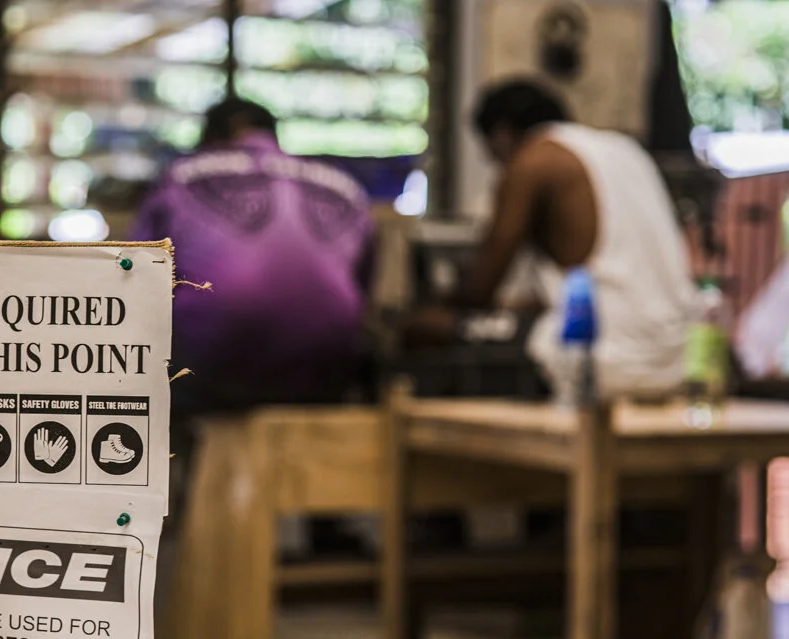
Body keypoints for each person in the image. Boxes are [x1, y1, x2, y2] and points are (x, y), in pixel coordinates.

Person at [413, 79, 697, 398]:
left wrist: (440, 304)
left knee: (429, 326)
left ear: (502, 135)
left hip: (604, 359)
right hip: (679, 358)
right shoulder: (625, 150)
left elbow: (480, 289)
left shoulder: (532, 161)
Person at [130, 98, 375, 415]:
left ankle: (186, 442)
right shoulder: (344, 186)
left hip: (214, 356)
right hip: (324, 362)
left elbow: (138, 276)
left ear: (212, 139)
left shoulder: (181, 175)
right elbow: (364, 285)